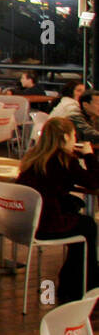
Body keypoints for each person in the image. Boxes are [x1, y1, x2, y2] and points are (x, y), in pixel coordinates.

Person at [16, 118, 99, 301]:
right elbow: (94, 181)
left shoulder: (33, 157)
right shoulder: (63, 160)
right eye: (74, 135)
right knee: (88, 226)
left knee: (82, 226)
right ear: (67, 136)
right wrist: (89, 155)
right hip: (47, 224)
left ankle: (75, 281)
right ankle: (87, 283)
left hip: (23, 222)